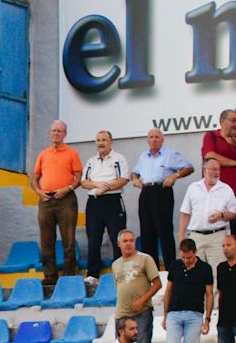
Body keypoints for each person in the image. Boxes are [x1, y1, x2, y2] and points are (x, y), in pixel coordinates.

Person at [30, 120, 84, 287]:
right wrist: (39, 192)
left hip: (65, 199)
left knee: (68, 240)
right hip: (46, 200)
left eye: (59, 131)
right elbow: (34, 178)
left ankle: (69, 276)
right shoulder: (43, 154)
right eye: (53, 131)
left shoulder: (72, 153)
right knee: (46, 240)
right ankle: (50, 276)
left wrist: (66, 189)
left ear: (65, 134)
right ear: (49, 134)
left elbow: (78, 178)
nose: (56, 134)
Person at [132, 127, 193, 269]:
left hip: (162, 191)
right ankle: (152, 271)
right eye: (151, 137)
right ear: (147, 140)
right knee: (147, 233)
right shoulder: (143, 156)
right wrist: (135, 179)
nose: (154, 140)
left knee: (164, 232)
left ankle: (171, 269)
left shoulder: (170, 154)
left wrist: (174, 176)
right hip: (146, 192)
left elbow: (189, 167)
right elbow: (134, 172)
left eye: (157, 137)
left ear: (162, 140)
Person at [161, 238, 215, 343]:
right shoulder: (175, 266)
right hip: (174, 313)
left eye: (189, 258)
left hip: (195, 314)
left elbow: (210, 294)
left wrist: (207, 319)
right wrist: (165, 315)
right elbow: (168, 291)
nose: (186, 261)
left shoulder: (205, 268)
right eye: (183, 257)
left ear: (195, 253)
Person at [77, 130, 131, 280]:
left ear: (111, 142)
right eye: (98, 140)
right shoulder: (91, 161)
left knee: (117, 238)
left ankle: (120, 274)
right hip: (94, 203)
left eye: (104, 140)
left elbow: (123, 179)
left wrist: (104, 188)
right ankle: (93, 274)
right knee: (93, 239)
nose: (101, 143)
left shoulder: (119, 159)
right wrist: (96, 185)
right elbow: (83, 182)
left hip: (113, 201)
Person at [179, 157, 236, 271]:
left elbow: (234, 213)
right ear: (204, 170)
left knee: (217, 272)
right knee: (195, 272)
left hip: (217, 236)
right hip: (196, 236)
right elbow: (185, 213)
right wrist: (181, 237)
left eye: (218, 169)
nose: (217, 172)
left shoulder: (226, 189)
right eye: (213, 169)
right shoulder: (193, 188)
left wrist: (221, 215)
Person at [108, 229, 162, 343]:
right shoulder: (115, 264)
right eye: (125, 241)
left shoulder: (145, 259)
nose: (128, 244)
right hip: (121, 314)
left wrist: (142, 300)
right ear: (119, 244)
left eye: (131, 241)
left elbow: (158, 284)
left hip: (141, 313)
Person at [200, 108, 236, 196]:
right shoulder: (211, 136)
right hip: (214, 191)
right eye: (233, 121)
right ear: (222, 121)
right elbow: (210, 157)